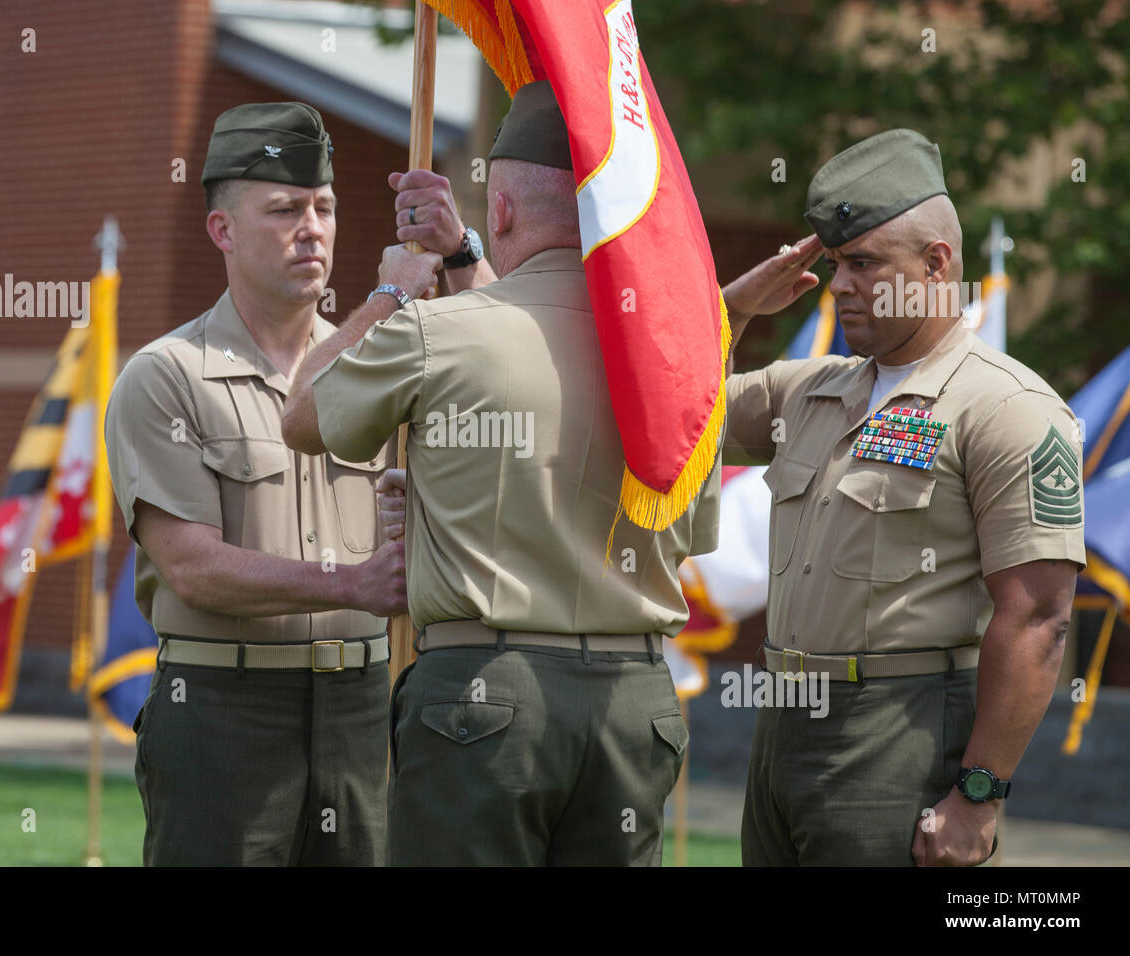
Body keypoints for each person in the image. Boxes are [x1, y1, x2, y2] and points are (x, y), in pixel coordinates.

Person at [281, 80, 721, 866]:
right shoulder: (680, 358)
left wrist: (391, 292)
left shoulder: (437, 330)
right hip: (635, 703)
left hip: (485, 696)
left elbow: (304, 416)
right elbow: (692, 530)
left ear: (504, 212)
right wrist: (462, 259)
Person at [718, 128, 1085, 866]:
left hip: (895, 731)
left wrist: (978, 796)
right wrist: (731, 310)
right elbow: (671, 414)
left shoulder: (1007, 406)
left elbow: (1038, 617)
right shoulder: (811, 388)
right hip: (781, 723)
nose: (839, 284)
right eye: (832, 265)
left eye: (861, 263)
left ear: (935, 262)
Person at [104, 102, 406, 866]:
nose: (313, 227)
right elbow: (193, 567)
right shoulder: (166, 377)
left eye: (325, 207)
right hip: (224, 714)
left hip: (363, 712)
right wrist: (354, 582)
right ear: (222, 230)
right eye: (284, 209)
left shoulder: (382, 370)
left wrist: (462, 251)